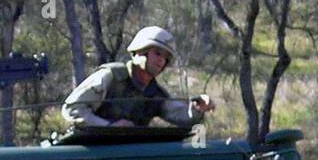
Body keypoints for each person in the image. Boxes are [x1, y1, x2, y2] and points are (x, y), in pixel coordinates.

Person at [62, 26, 215, 129]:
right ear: (139, 52)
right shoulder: (111, 77)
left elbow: (180, 115)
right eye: (157, 53)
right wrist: (109, 126)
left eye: (166, 58)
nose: (161, 61)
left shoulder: (155, 94)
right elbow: (72, 108)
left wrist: (197, 108)